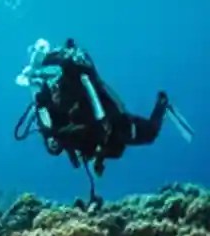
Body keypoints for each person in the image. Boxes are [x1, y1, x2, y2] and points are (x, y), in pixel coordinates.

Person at [14, 38, 192, 193]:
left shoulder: (77, 83)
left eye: (54, 80)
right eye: (46, 83)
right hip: (99, 140)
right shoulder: (48, 105)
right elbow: (54, 144)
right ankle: (100, 155)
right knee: (119, 143)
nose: (53, 87)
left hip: (114, 125)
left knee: (150, 133)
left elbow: (98, 116)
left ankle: (163, 105)